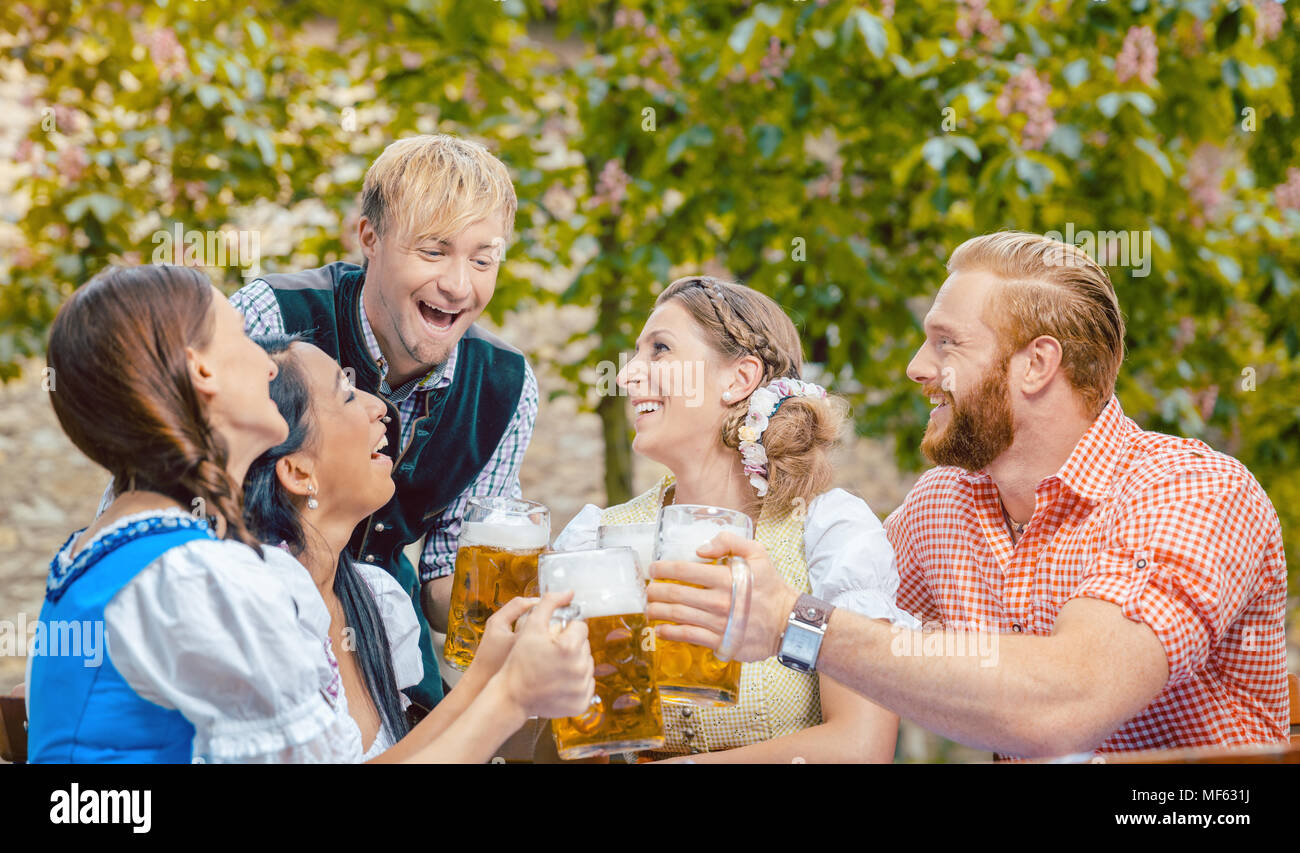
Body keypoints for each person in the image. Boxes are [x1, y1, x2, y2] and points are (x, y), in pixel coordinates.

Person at [646, 232, 1289, 760]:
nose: (917, 368)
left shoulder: (1192, 490)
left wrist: (794, 621)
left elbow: (1065, 702)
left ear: (1036, 365)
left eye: (947, 342)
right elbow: (845, 625)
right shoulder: (943, 505)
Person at [27, 265, 593, 763]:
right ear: (203, 373)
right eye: (242, 341)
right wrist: (513, 697)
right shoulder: (202, 577)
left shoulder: (133, 547)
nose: (270, 367)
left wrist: (491, 680)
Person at [229, 134, 537, 711]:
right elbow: (179, 489)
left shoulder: (506, 387)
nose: (459, 284)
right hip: (253, 633)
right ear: (369, 238)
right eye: (433, 251)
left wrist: (542, 597)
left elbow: (444, 583)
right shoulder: (272, 316)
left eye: (482, 259)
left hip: (387, 648)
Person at [554, 275, 915, 763]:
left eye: (659, 349)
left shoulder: (830, 529)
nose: (626, 376)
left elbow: (860, 748)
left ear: (738, 379)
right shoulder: (599, 535)